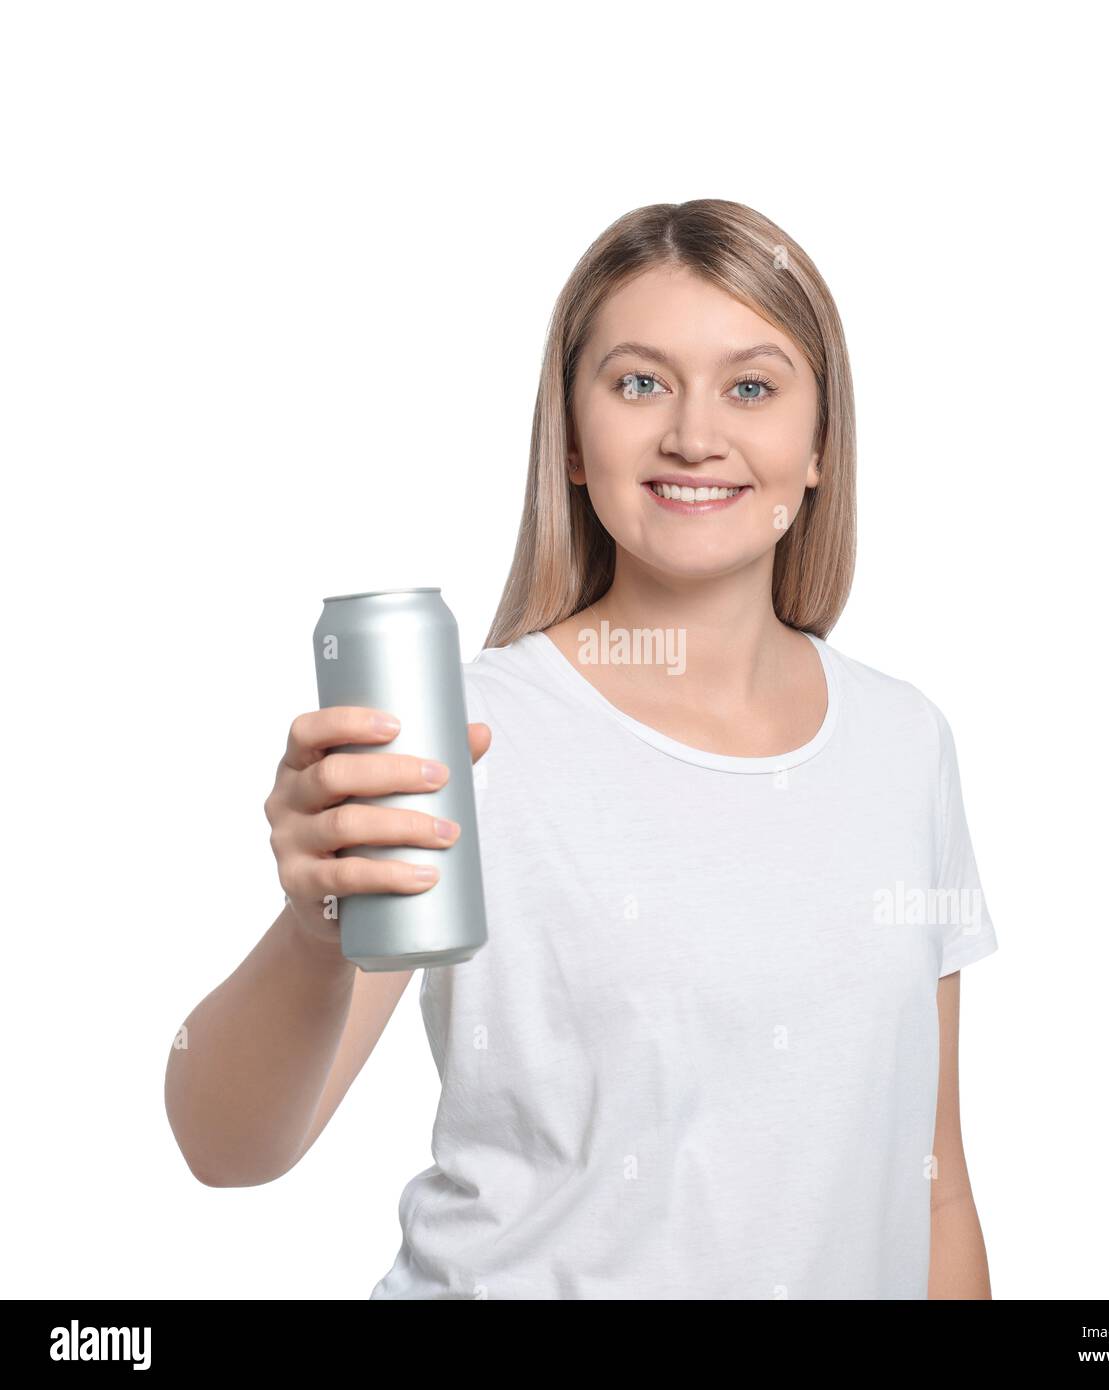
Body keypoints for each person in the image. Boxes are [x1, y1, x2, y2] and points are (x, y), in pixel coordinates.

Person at [165, 199, 999, 1300]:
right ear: (569, 437)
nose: (695, 434)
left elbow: (930, 1184)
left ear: (818, 447)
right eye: (639, 382)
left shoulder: (905, 743)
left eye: (751, 386)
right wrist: (316, 927)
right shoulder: (463, 739)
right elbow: (227, 1149)